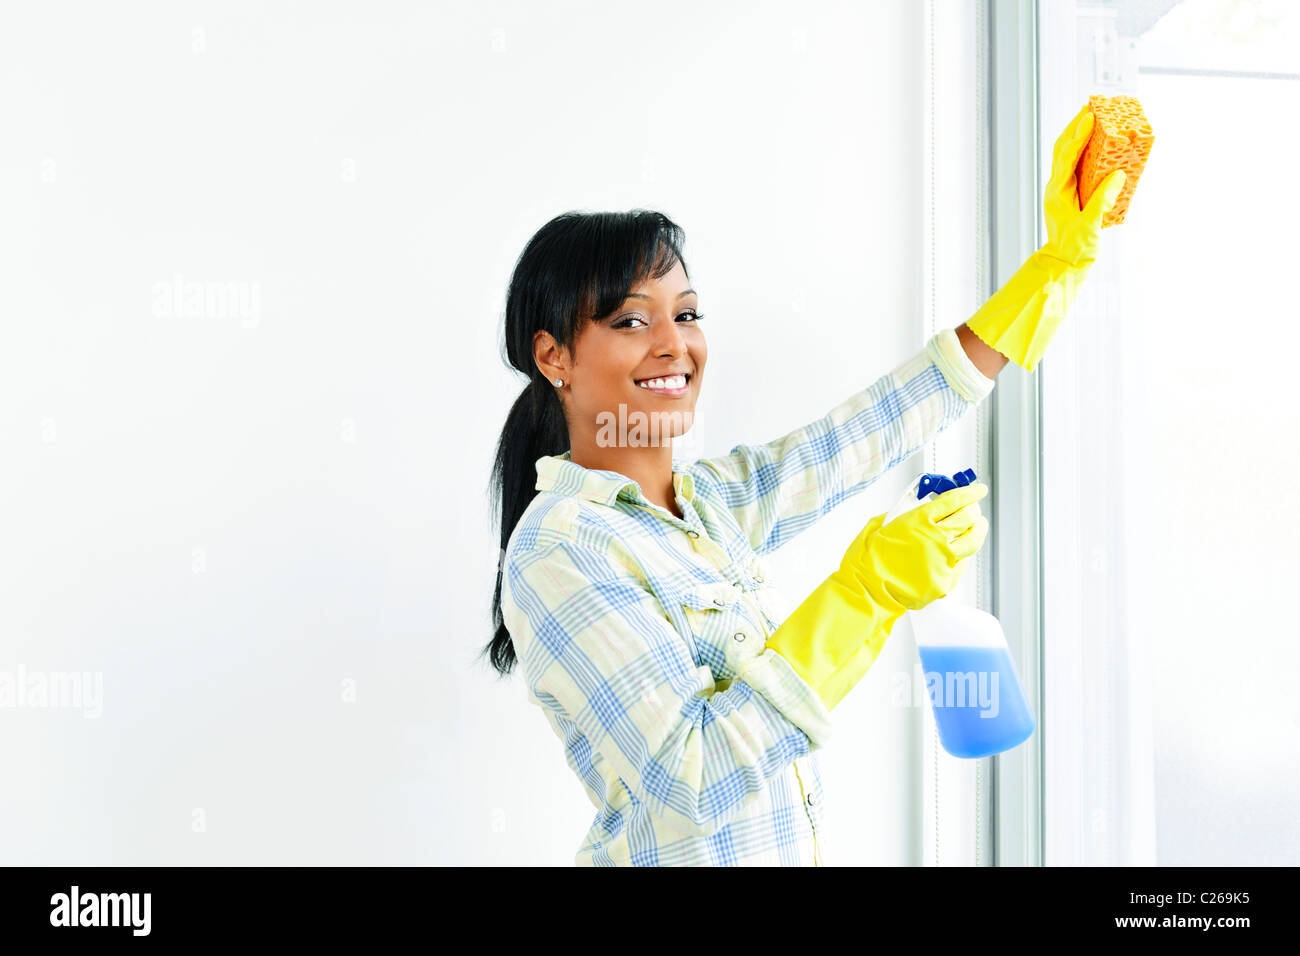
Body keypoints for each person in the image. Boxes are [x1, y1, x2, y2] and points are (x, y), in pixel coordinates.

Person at [483, 104, 1125, 866]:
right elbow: (692, 779)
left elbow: (874, 426)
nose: (674, 345)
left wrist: (1054, 269)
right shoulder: (560, 550)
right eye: (630, 321)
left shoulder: (710, 504)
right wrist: (863, 596)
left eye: (686, 313)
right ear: (554, 357)